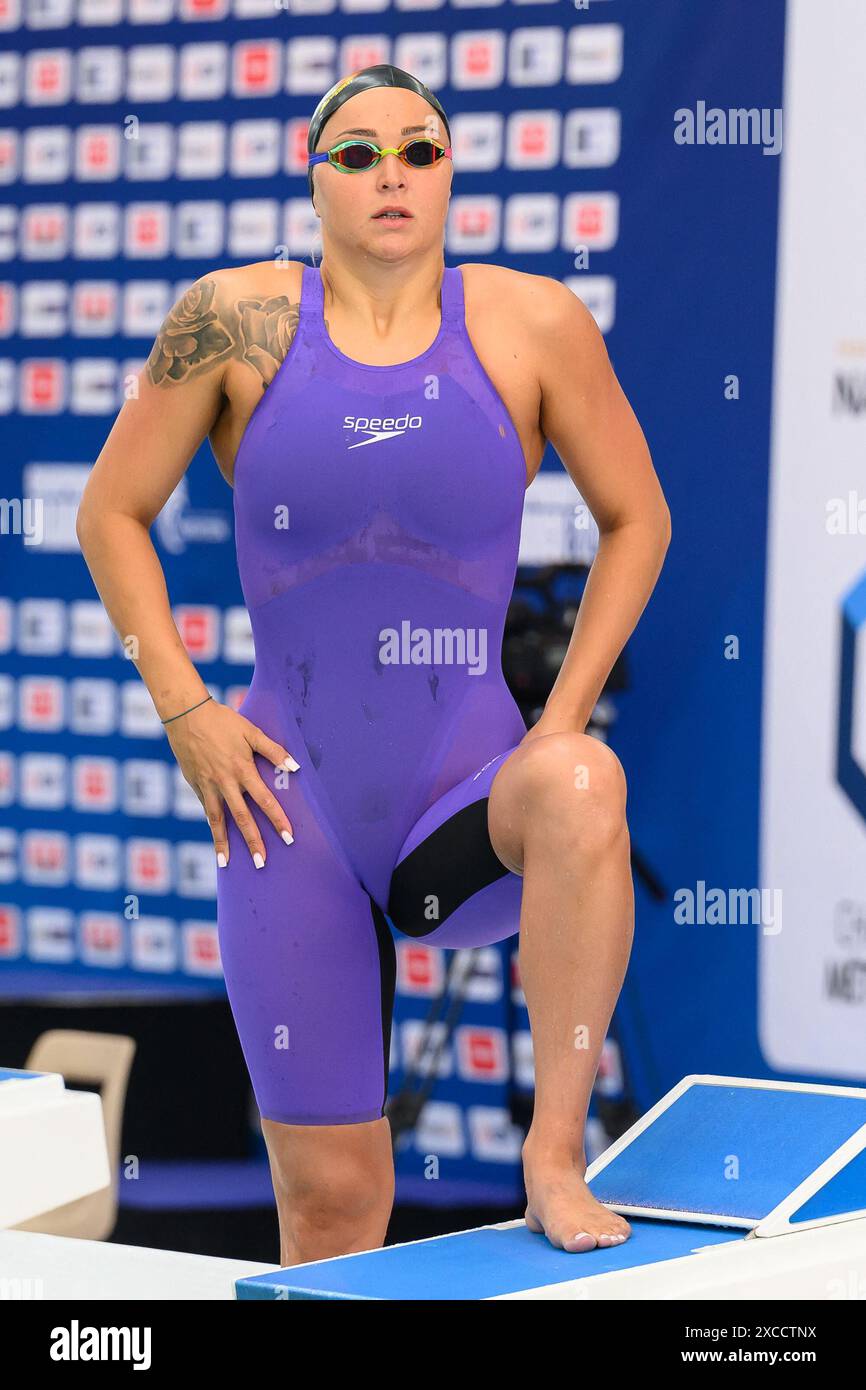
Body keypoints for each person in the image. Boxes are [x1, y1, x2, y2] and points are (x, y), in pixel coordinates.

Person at [76, 64, 670, 1268]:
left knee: (581, 785)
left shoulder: (528, 322)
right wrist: (185, 707)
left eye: (418, 149)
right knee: (336, 1208)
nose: (389, 173)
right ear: (314, 178)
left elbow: (637, 518)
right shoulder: (230, 319)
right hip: (286, 804)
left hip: (462, 794)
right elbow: (108, 513)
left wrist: (555, 721)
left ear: (450, 172)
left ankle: (553, 1161)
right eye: (355, 153)